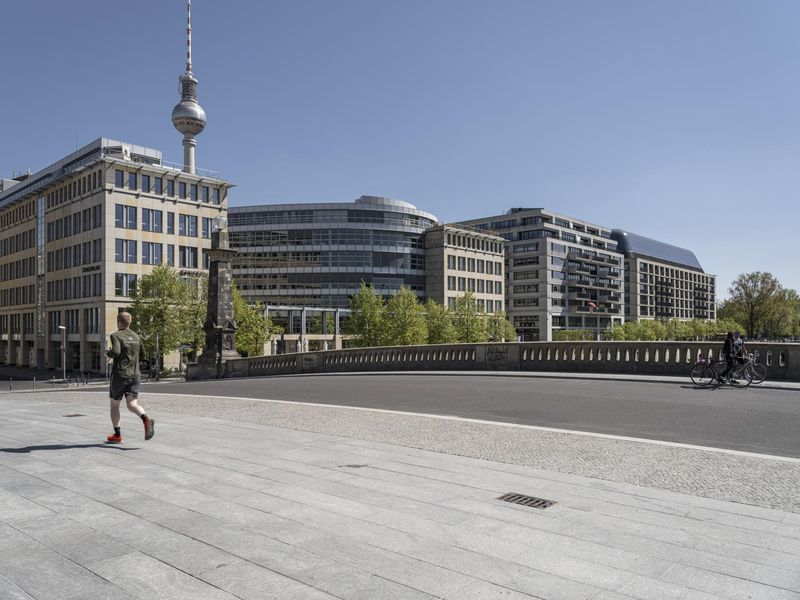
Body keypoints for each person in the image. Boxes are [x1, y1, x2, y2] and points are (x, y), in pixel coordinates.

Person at [106, 312, 155, 443]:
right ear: (130, 322)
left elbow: (115, 352)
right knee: (132, 404)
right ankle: (146, 418)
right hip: (135, 375)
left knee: (115, 405)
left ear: (118, 322)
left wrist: (108, 353)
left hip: (120, 375)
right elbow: (143, 355)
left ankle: (117, 436)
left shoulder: (116, 335)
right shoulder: (136, 336)